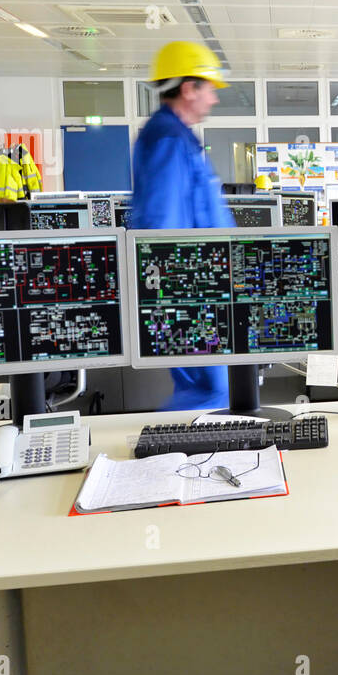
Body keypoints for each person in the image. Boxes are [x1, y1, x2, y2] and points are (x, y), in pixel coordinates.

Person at [130, 41, 236, 411]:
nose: (215, 100)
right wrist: (182, 297)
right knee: (215, 392)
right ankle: (166, 456)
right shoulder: (167, 139)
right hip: (189, 292)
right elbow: (163, 224)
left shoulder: (176, 135)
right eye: (210, 89)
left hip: (198, 288)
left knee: (213, 390)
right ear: (189, 88)